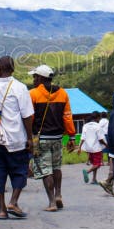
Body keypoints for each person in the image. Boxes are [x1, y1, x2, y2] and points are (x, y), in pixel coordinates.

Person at [0, 56, 35, 219]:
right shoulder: (20, 88)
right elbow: (27, 116)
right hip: (17, 138)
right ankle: (13, 201)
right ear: (13, 69)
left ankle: (2, 209)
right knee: (20, 170)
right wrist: (29, 138)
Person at [29, 64, 76, 212]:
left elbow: (29, 118)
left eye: (35, 77)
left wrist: (28, 137)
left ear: (42, 78)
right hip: (57, 138)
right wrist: (72, 137)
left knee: (45, 170)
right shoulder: (63, 93)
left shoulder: (33, 94)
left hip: (41, 138)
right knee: (56, 167)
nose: (33, 79)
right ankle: (58, 195)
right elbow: (67, 117)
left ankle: (51, 203)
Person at [78, 111, 106, 184]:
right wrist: (106, 145)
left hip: (88, 149)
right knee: (98, 164)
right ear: (97, 118)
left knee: (94, 164)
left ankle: (94, 179)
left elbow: (82, 138)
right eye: (99, 118)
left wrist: (79, 147)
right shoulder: (98, 126)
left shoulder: (85, 126)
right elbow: (100, 139)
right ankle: (87, 172)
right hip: (96, 149)